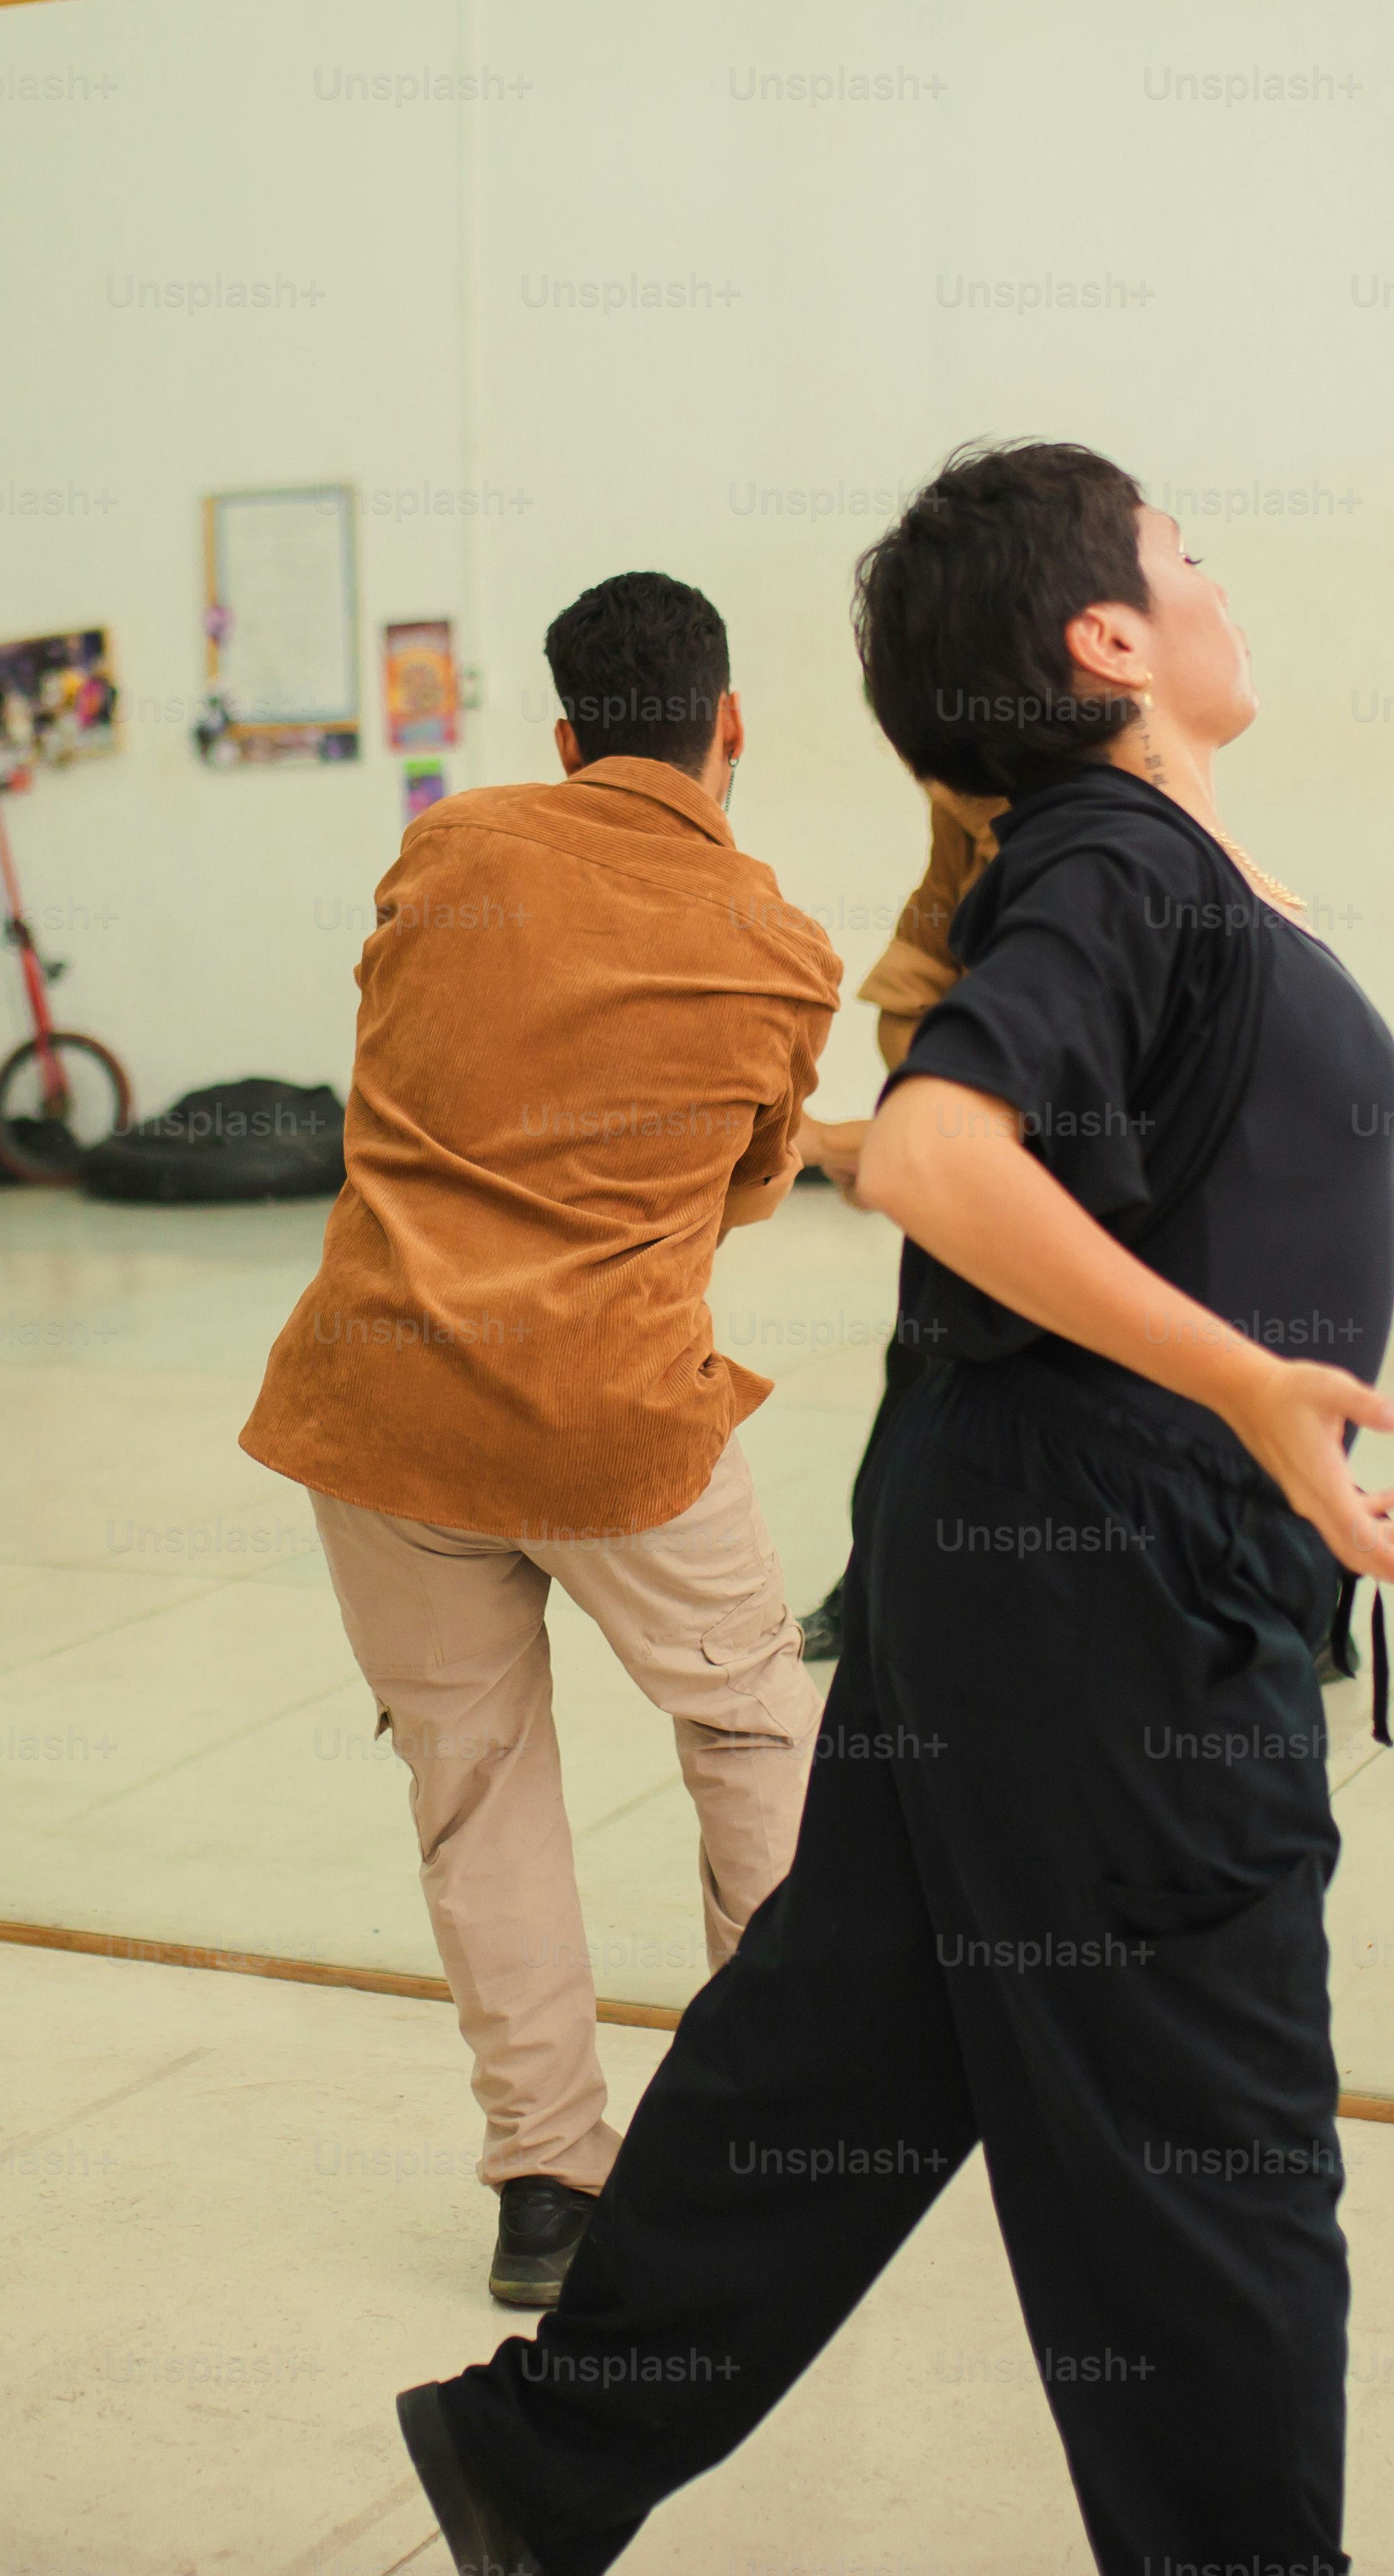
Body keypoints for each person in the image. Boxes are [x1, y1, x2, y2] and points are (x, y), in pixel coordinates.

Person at [396, 442, 1394, 2576]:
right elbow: (942, 1151)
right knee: (1205, 2151)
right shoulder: (1114, 856)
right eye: (1185, 554)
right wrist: (1242, 1380)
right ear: (1106, 635)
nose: (1219, 581)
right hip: (1108, 1584)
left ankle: (544, 2457)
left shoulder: (1137, 856)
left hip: (1027, 1541)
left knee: (849, 2047)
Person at [241, 571, 841, 2312]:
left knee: (474, 1783)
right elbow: (746, 1190)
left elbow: (399, 1064)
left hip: (384, 1402)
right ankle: (754, 2152)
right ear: (730, 725)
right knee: (748, 1727)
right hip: (615, 1422)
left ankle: (543, 2190)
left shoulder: (446, 854)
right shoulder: (778, 946)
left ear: (566, 735)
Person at [789, 777, 1001, 1670]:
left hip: (1078, 1184)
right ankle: (880, 1591)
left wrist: (877, 1140)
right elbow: (914, 989)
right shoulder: (962, 804)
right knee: (920, 1372)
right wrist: (925, 1126)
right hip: (972, 1178)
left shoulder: (1093, 840)